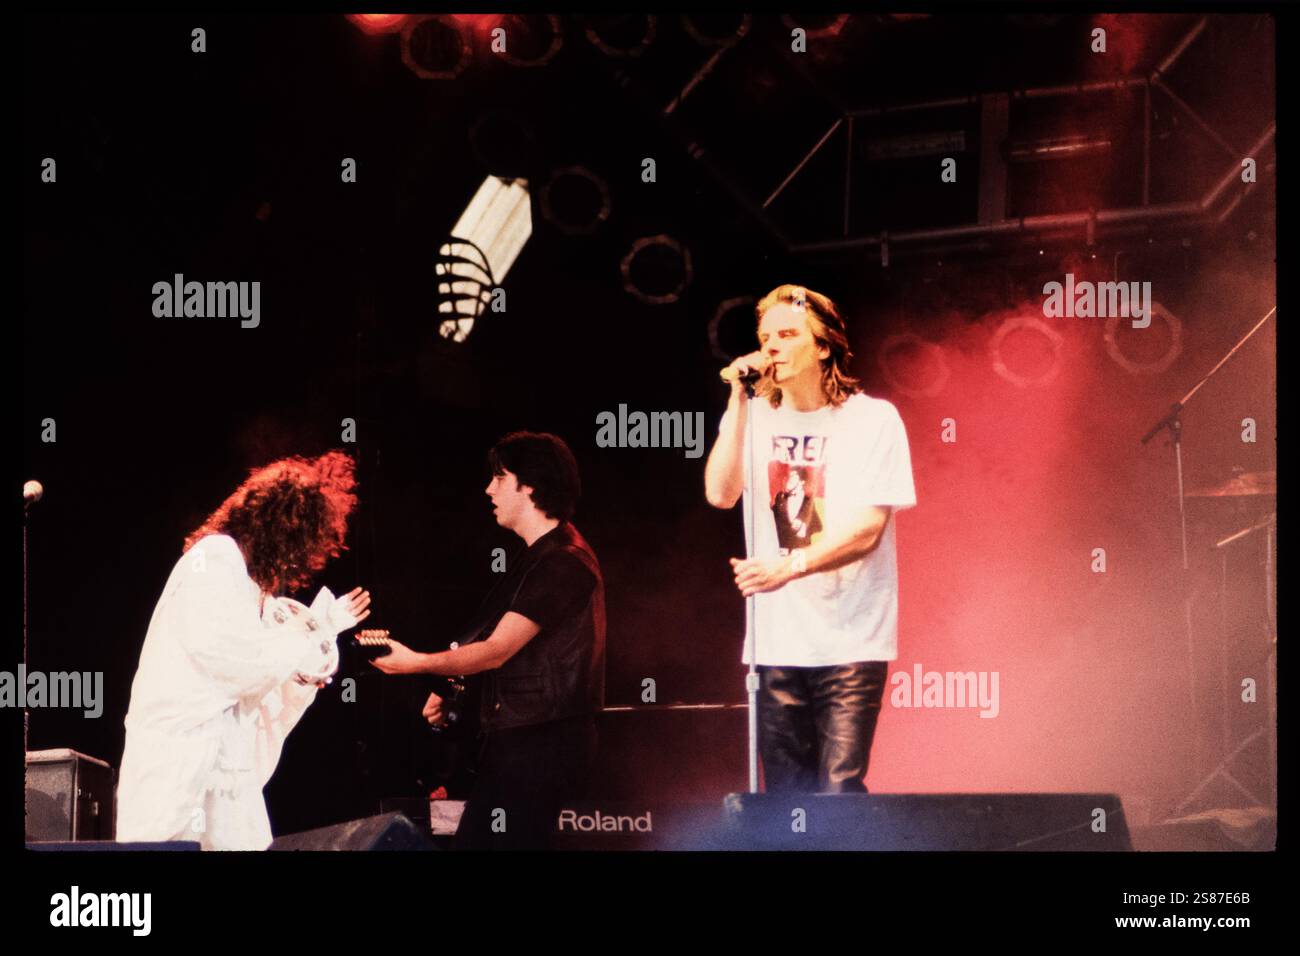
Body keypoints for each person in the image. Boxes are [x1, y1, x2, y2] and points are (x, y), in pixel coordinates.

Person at [704, 284, 917, 794]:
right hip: (777, 644)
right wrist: (738, 397)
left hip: (851, 640)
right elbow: (719, 492)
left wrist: (788, 568)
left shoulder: (873, 420)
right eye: (764, 336)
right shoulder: (753, 417)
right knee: (783, 803)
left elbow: (867, 529)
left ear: (823, 346)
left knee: (838, 793)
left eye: (787, 333)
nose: (771, 345)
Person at [116, 451, 371, 850]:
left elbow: (263, 692)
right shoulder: (214, 559)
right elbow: (234, 661)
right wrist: (314, 633)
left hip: (226, 779)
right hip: (179, 772)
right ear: (279, 530)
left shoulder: (257, 594)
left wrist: (308, 664)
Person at [372, 432, 604, 850]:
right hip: (523, 741)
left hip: (541, 745)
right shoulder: (536, 557)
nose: (488, 489)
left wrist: (417, 663)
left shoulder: (562, 562)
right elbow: (500, 650)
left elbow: (497, 650)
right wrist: (452, 694)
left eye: (499, 477)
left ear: (529, 484)